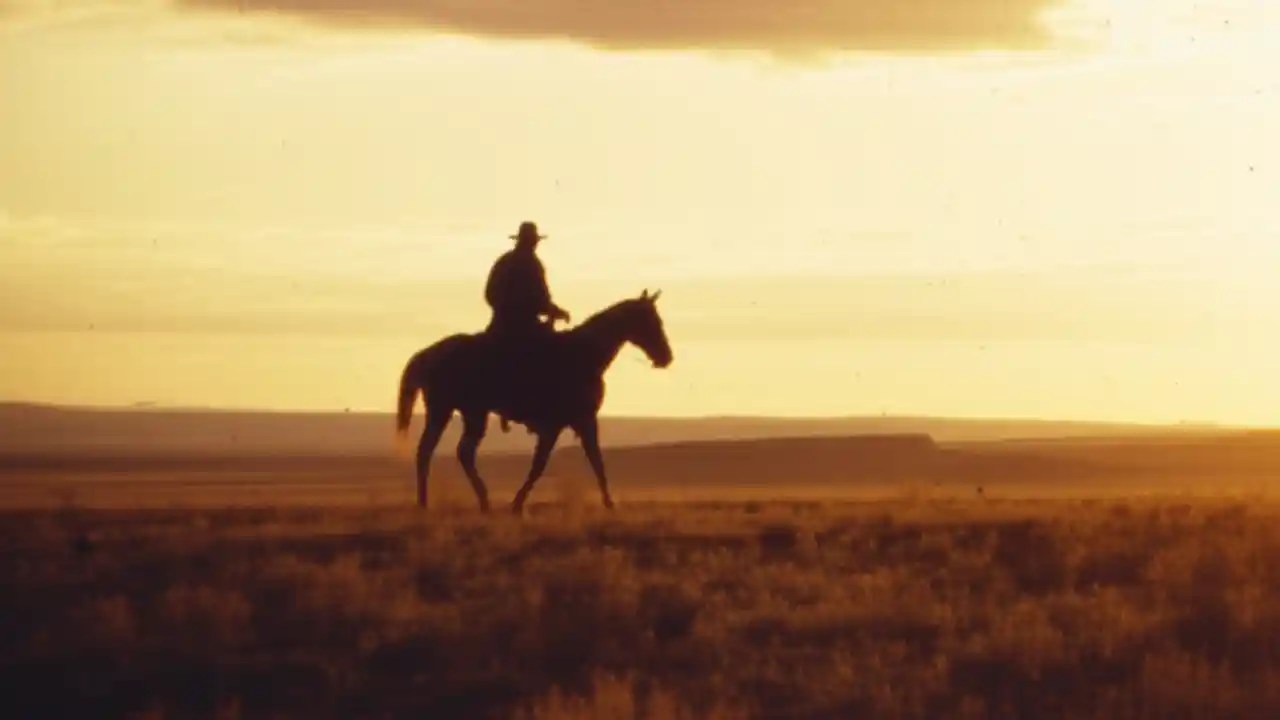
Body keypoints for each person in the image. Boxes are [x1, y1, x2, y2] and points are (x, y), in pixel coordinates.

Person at [482, 221, 570, 428]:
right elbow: (542, 298)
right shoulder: (533, 265)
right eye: (533, 241)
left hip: (499, 324)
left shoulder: (504, 261)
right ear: (532, 242)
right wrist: (555, 311)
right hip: (525, 325)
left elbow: (489, 293)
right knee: (552, 357)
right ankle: (538, 409)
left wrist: (503, 308)